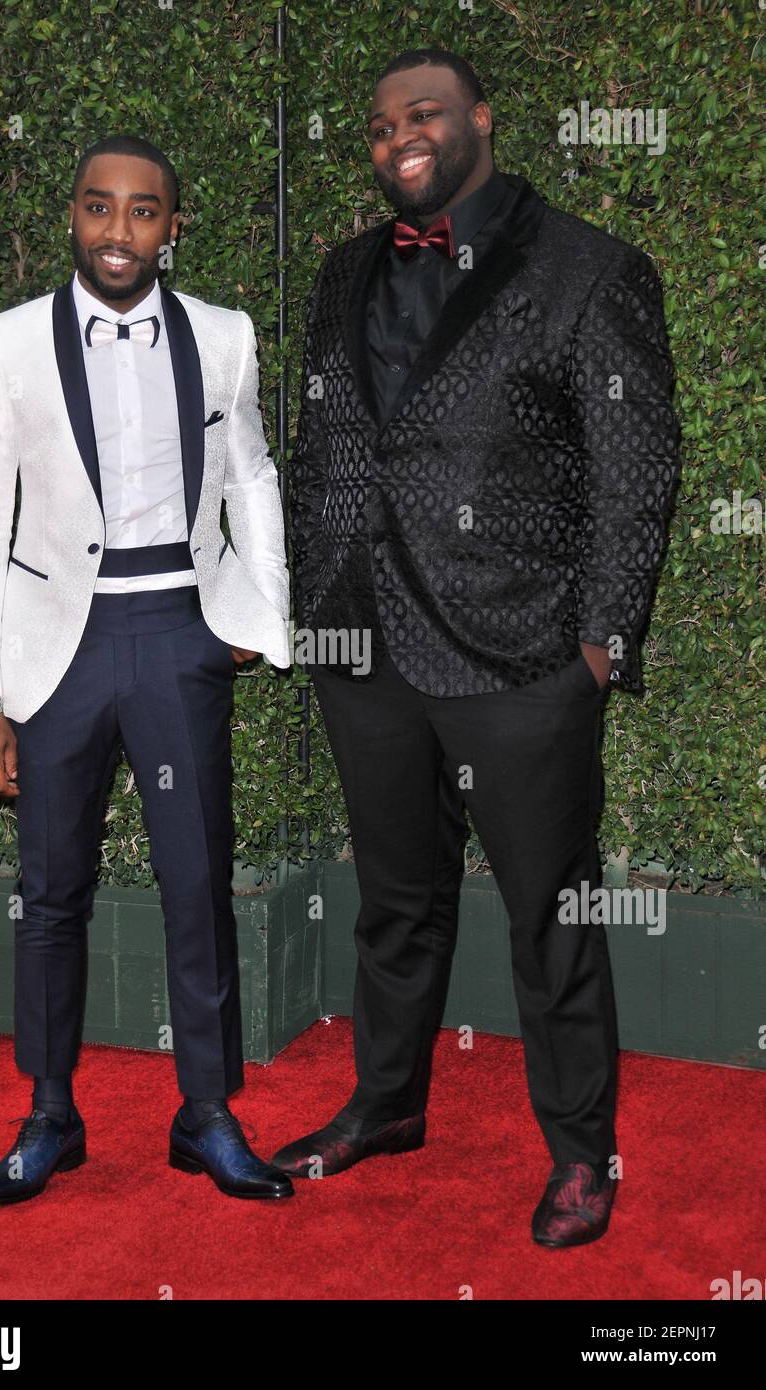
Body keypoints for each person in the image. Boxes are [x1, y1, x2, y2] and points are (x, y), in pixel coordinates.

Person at [276, 49, 680, 1246]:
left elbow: (637, 472)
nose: (402, 134)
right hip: (366, 649)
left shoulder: (587, 268)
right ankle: (388, 1105)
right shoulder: (347, 268)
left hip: (521, 661)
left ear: (481, 122)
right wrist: (312, 600)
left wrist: (598, 646)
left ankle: (579, 1153)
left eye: (426, 112)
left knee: (552, 913)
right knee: (396, 905)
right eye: (383, 122)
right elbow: (328, 448)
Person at [0, 134, 294, 1205]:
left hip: (178, 641)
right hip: (55, 651)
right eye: (99, 207)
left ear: (171, 227)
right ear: (74, 216)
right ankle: (52, 1113)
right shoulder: (6, 346)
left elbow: (254, 475)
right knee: (51, 891)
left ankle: (207, 1114)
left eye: (143, 211)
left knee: (198, 885)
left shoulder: (224, 337)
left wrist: (261, 614)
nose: (118, 230)